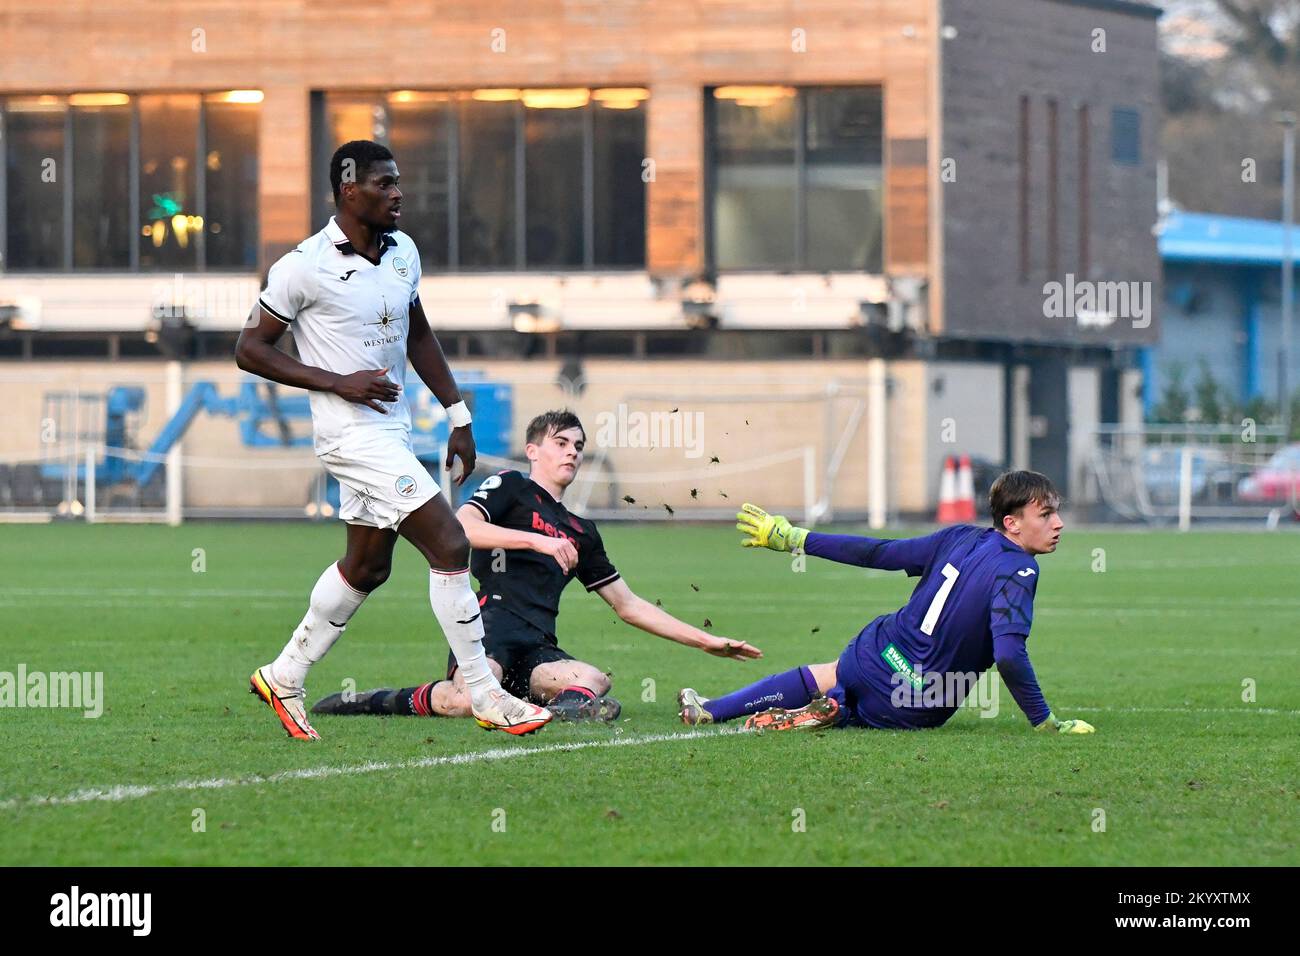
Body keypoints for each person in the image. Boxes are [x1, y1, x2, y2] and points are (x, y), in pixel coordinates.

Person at [235, 139, 550, 739]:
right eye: (384, 184)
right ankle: (486, 695)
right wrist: (338, 382)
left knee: (368, 565)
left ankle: (284, 674)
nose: (398, 193)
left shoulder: (403, 251)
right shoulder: (302, 265)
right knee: (450, 543)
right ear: (348, 191)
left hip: (392, 431)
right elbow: (249, 348)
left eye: (398, 181)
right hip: (349, 437)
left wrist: (457, 413)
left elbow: (418, 331)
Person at [312, 409, 762, 722]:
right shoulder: (509, 487)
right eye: (560, 442)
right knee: (471, 699)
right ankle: (379, 700)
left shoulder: (581, 531)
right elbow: (462, 530)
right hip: (487, 628)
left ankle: (557, 709)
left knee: (592, 679)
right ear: (533, 450)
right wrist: (538, 540)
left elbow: (628, 606)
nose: (571, 452)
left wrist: (705, 641)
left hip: (538, 646)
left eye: (578, 446)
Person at [677, 471, 1097, 736]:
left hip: (875, 657)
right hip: (919, 700)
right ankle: (836, 711)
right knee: (872, 706)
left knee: (829, 673)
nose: (1058, 524)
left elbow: (876, 553)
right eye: (1045, 515)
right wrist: (1044, 722)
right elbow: (1008, 654)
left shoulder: (957, 537)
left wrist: (796, 538)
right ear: (1012, 522)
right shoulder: (1020, 571)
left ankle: (713, 710)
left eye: (1056, 513)